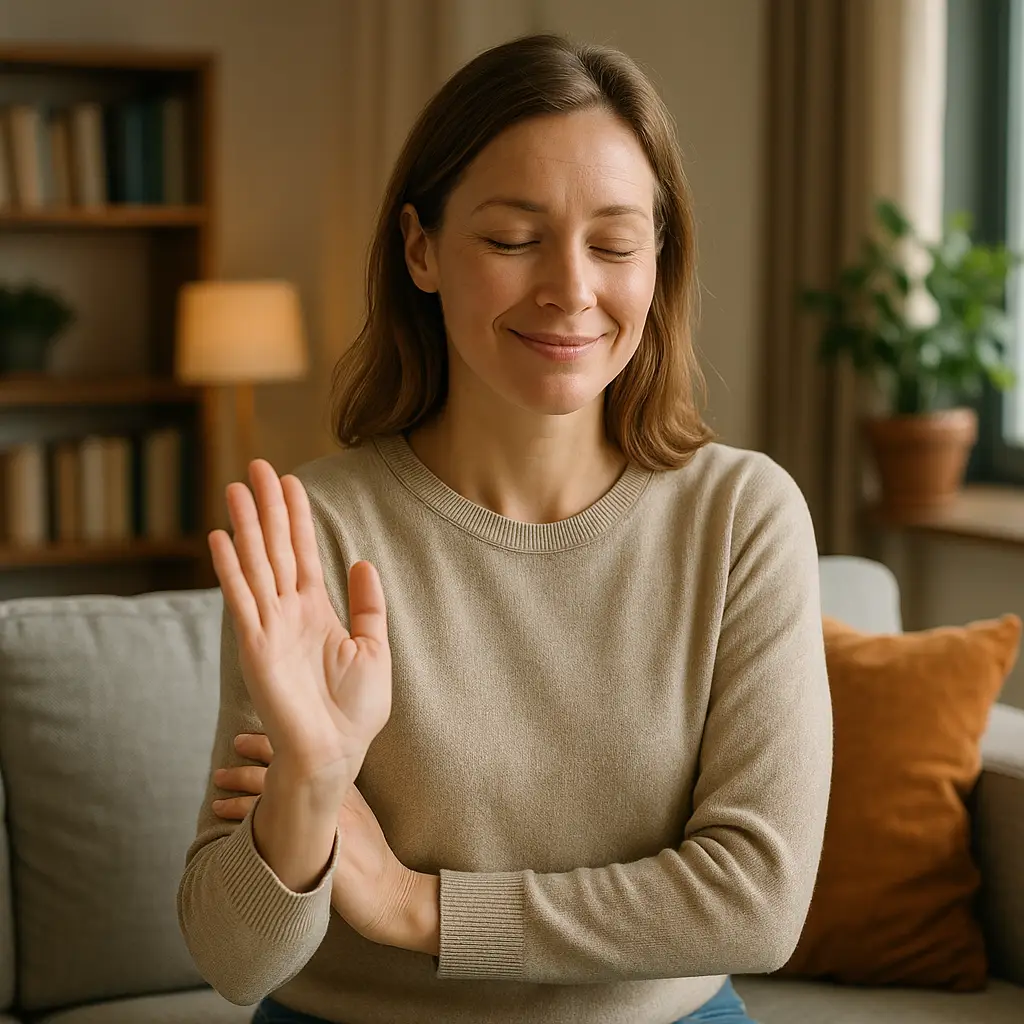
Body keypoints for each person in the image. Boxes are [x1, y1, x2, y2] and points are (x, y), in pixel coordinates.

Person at [176, 32, 832, 1024]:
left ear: (659, 260)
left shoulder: (742, 517)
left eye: (614, 243)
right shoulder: (316, 529)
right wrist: (307, 781)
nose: (570, 288)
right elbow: (233, 959)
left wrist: (417, 906)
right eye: (513, 238)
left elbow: (757, 901)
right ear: (421, 248)